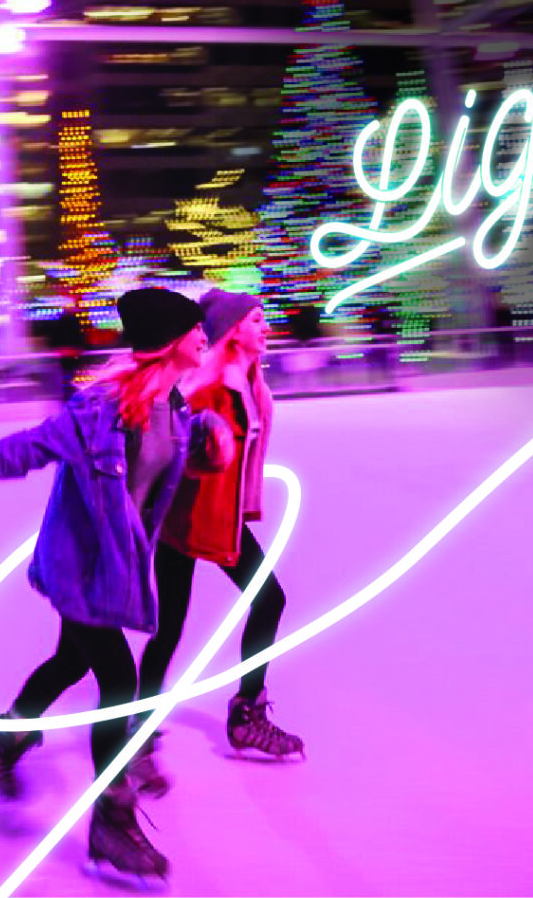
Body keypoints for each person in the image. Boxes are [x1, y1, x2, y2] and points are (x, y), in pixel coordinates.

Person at [0, 288, 233, 885]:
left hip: (118, 569)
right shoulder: (97, 411)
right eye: (196, 329)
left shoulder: (176, 410)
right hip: (81, 569)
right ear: (171, 341)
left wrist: (210, 440)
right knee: (119, 681)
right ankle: (110, 827)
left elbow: (165, 472)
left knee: (70, 662)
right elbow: (20, 451)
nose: (206, 336)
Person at [129, 289, 304, 799]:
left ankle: (246, 713)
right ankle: (139, 734)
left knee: (266, 600)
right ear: (231, 330)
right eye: (256, 320)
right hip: (186, 522)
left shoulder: (250, 384)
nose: (265, 327)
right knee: (170, 630)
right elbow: (168, 449)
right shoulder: (206, 392)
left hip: (220, 520)